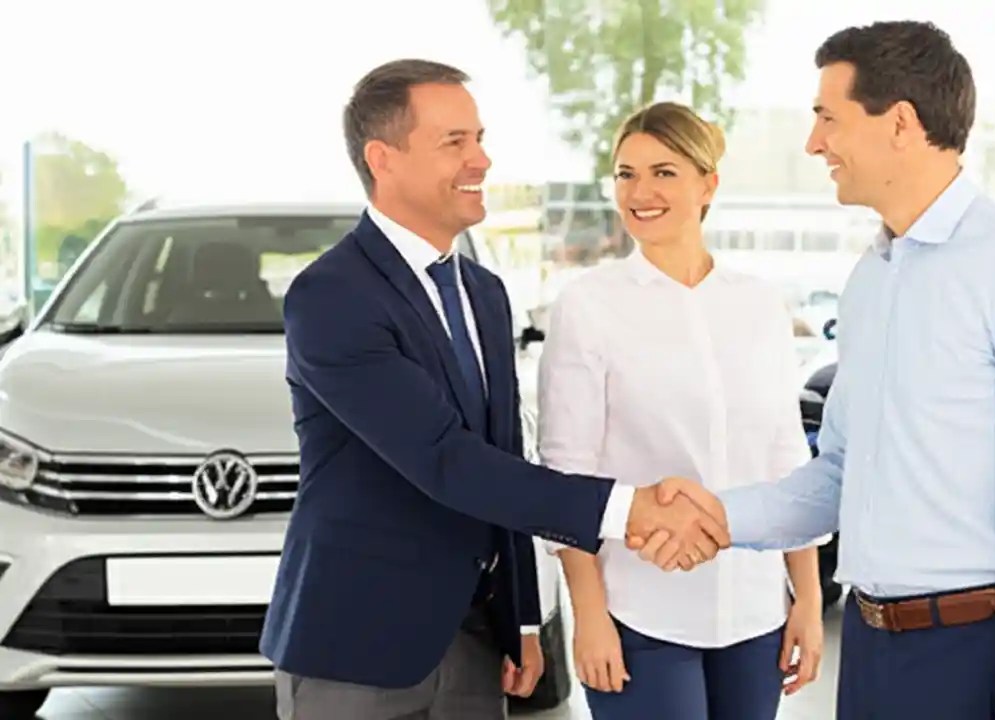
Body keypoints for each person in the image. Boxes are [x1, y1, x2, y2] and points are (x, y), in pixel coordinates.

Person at [635, 20, 995, 720]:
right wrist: (719, 515)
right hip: (870, 652)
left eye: (828, 118)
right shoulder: (872, 278)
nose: (814, 143)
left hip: (980, 656)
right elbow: (840, 473)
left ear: (900, 123)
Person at [259, 59, 730, 720]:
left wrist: (523, 618)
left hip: (478, 643)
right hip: (356, 646)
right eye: (455, 142)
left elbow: (502, 454)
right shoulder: (332, 296)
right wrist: (633, 509)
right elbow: (446, 459)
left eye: (479, 139)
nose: (481, 159)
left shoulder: (483, 292)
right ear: (382, 159)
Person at [536, 101, 827, 720]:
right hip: (639, 612)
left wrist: (805, 597)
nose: (640, 192)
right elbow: (566, 474)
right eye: (626, 174)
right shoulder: (588, 305)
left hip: (755, 613)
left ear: (708, 184)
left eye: (663, 172)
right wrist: (589, 616)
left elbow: (786, 458)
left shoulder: (758, 304)